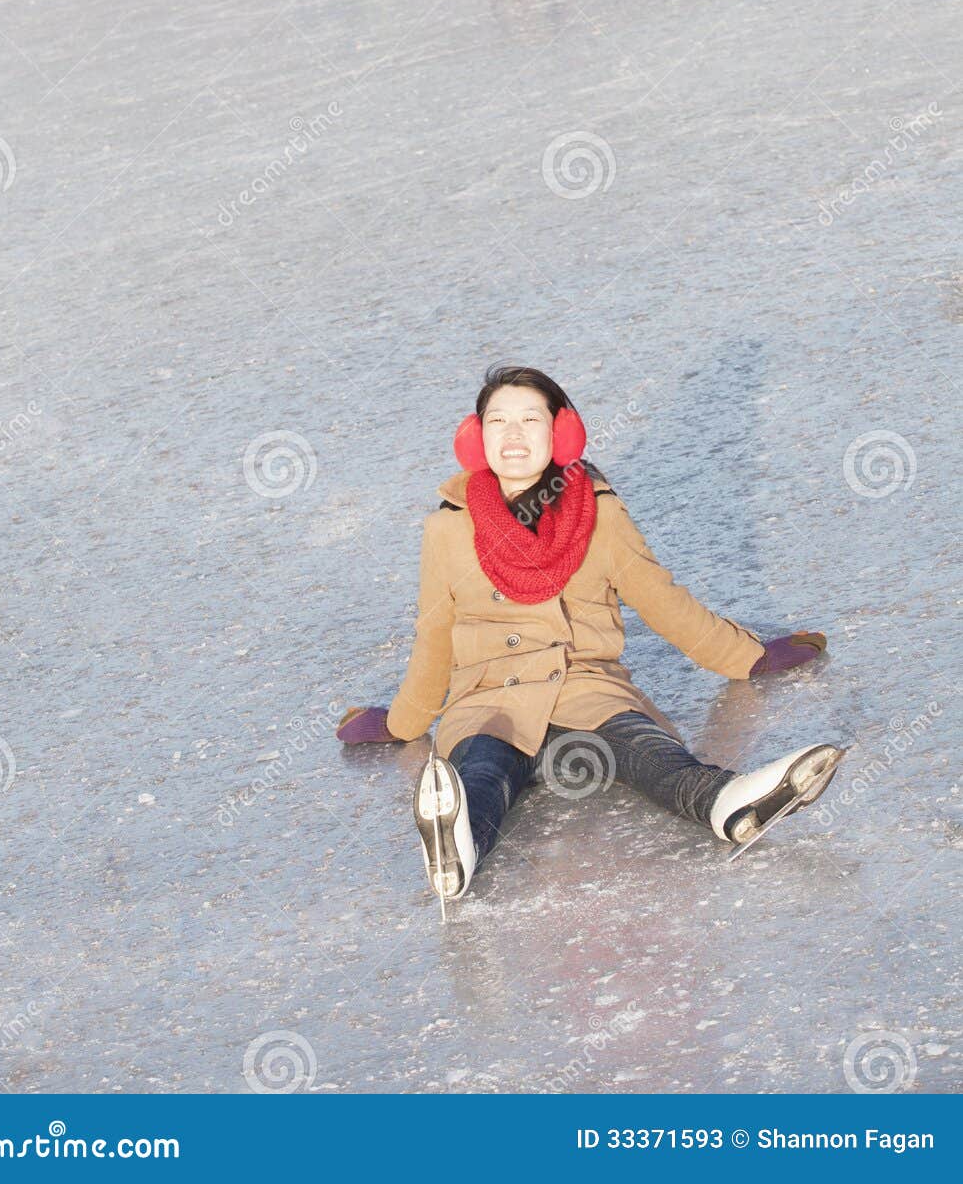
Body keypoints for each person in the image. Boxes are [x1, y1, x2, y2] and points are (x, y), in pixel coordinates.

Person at [337, 365, 842, 901]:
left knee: (649, 753)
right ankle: (456, 851)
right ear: (476, 437)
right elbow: (434, 632)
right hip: (489, 700)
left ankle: (728, 803)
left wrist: (750, 658)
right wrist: (401, 722)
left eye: (530, 419)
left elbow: (660, 599)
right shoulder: (448, 527)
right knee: (481, 772)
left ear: (561, 432)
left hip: (586, 689)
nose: (512, 434)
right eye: (498, 420)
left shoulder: (599, 514)